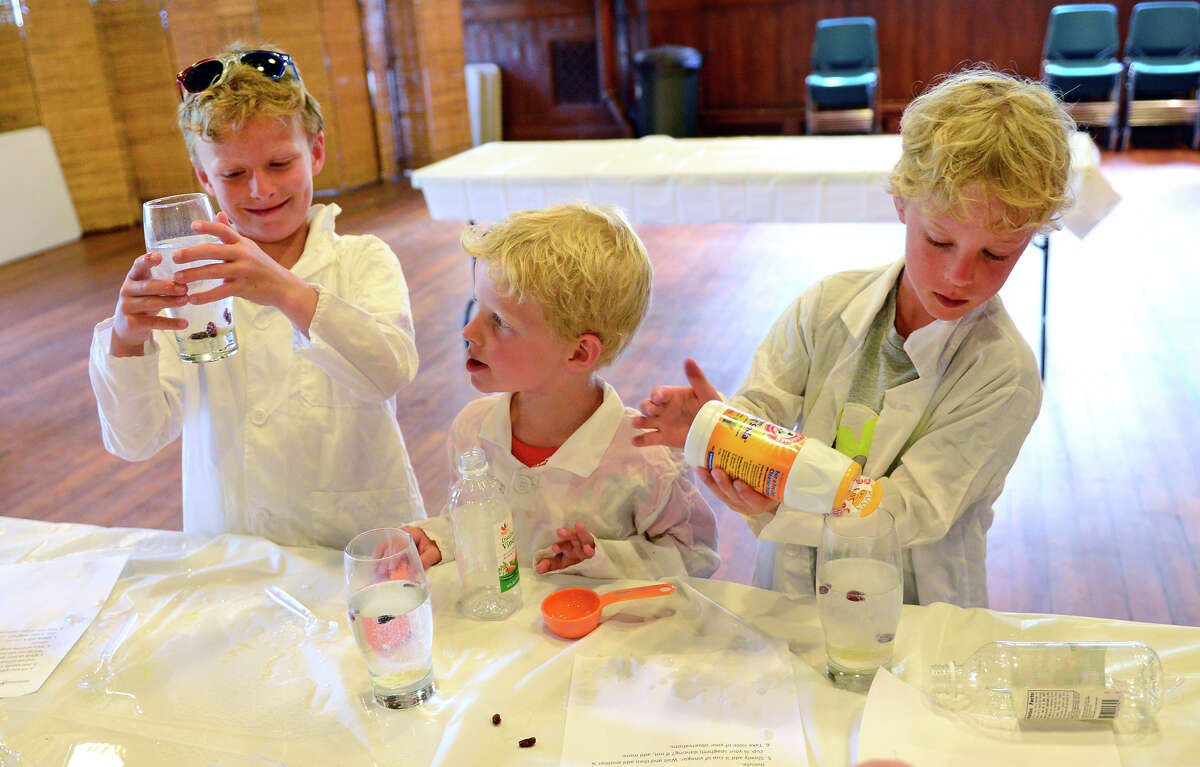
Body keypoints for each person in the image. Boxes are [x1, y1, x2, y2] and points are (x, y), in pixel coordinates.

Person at [633, 67, 1075, 607]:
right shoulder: (827, 305)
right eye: (939, 241)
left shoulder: (1003, 374)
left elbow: (905, 511)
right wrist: (722, 428)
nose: (960, 275)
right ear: (901, 203)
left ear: (1031, 236)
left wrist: (771, 498)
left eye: (995, 255)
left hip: (911, 601)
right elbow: (764, 406)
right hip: (792, 586)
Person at [88, 44, 425, 548]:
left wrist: (284, 290)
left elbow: (389, 373)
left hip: (359, 542)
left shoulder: (362, 259)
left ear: (315, 151)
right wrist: (127, 337)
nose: (261, 190)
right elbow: (136, 440)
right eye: (233, 174)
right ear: (204, 177)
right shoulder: (192, 282)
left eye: (280, 162)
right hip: (232, 542)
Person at [402, 203, 720, 579]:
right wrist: (438, 539)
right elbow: (472, 525)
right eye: (477, 306)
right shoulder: (472, 430)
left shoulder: (646, 460)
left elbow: (695, 559)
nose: (468, 332)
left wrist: (600, 561)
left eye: (500, 320)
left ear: (579, 352)